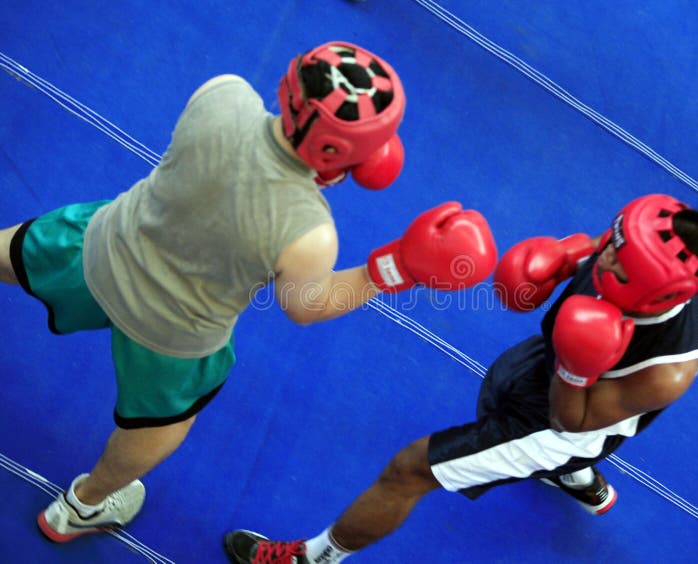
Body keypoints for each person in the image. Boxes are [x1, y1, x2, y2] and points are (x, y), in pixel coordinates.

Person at [0, 41, 498, 542]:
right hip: (175, 336)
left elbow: (239, 180)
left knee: (16, 252)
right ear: (350, 156)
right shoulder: (310, 233)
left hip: (102, 245)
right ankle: (82, 508)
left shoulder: (224, 93)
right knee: (159, 424)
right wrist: (394, 270)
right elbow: (307, 307)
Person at [223, 193, 698, 563]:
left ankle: (315, 558)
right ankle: (575, 478)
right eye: (611, 245)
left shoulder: (668, 371)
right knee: (498, 388)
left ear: (651, 296)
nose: (605, 256)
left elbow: (570, 419)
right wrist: (557, 260)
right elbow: (588, 252)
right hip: (561, 365)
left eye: (617, 267)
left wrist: (579, 363)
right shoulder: (641, 243)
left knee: (409, 470)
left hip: (564, 422)